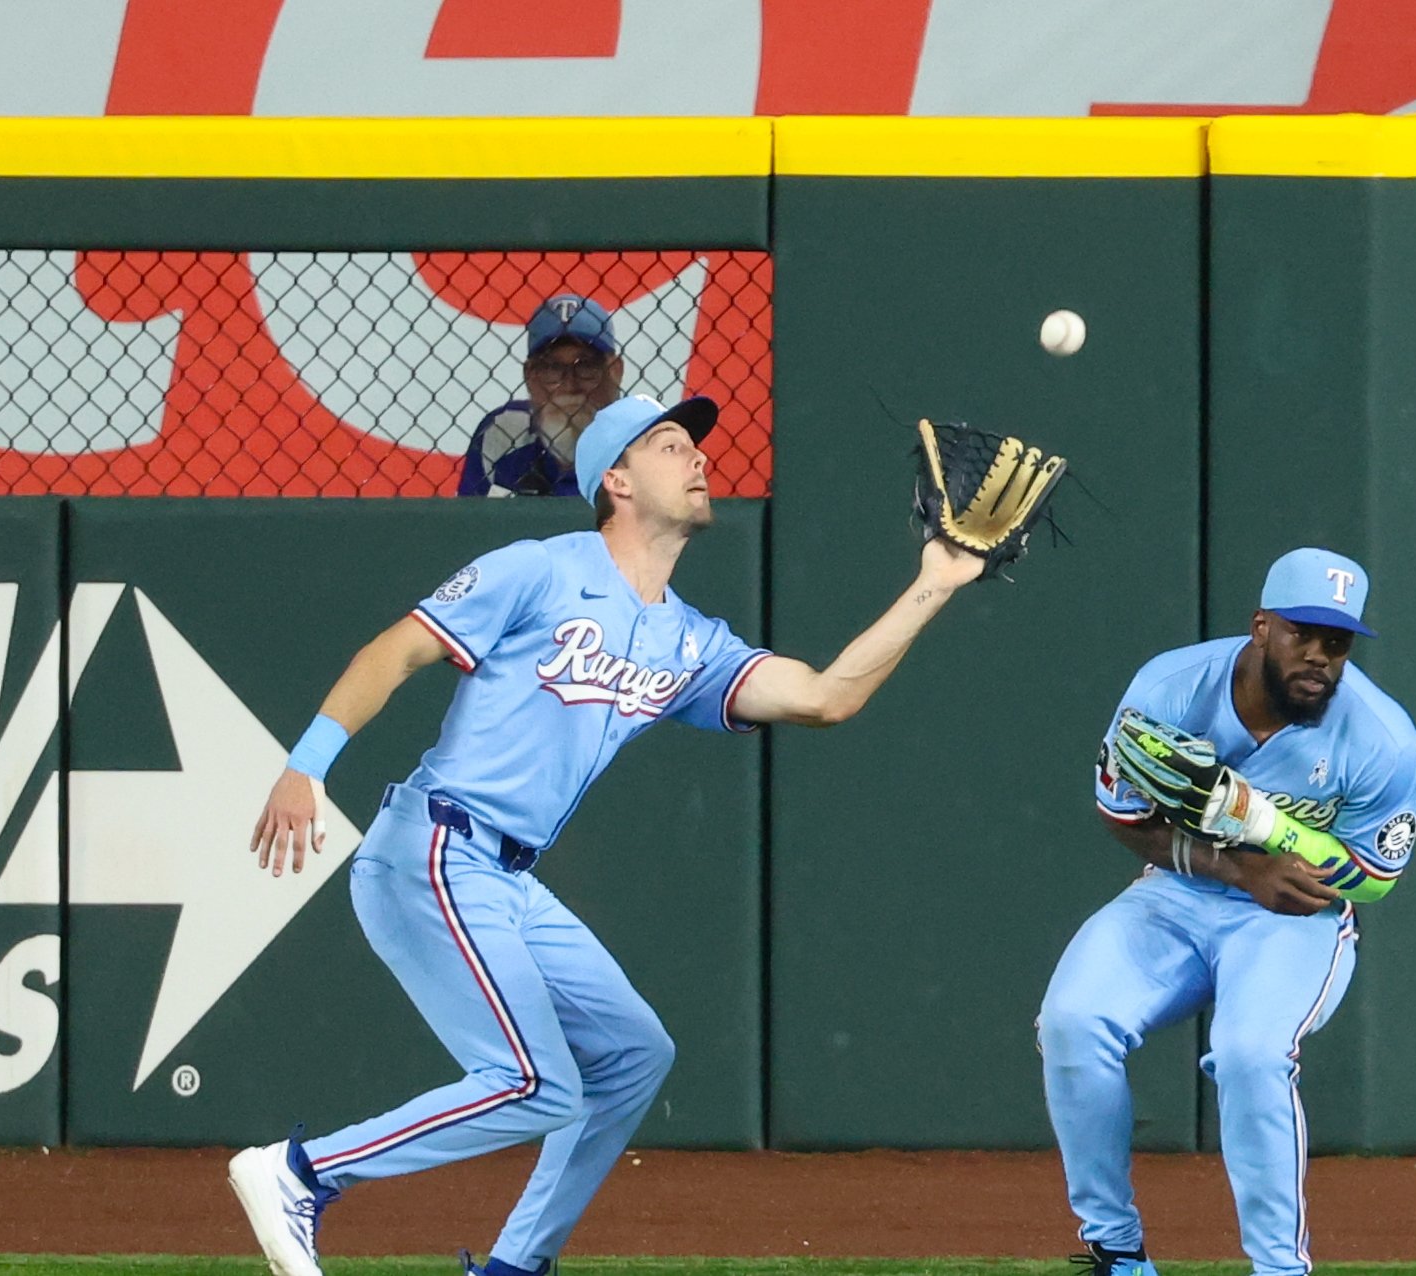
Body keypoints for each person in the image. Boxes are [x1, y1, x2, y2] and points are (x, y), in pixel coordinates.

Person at [230, 392, 991, 1276]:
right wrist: (305, 765)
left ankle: (516, 1267)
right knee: (533, 1083)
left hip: (509, 880)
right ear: (617, 481)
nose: (700, 459)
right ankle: (304, 1172)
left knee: (632, 1055)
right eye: (672, 446)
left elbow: (828, 696)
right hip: (436, 848)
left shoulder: (688, 640)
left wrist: (935, 581)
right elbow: (395, 650)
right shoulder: (540, 569)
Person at [1038, 547, 1416, 1276]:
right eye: (1300, 632)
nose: (1318, 655)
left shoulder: (1381, 736)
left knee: (1251, 1057)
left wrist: (1265, 826)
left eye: (1335, 642)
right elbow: (1119, 812)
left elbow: (1374, 878)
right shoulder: (1173, 686)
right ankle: (1116, 1251)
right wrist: (1240, 866)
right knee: (1073, 1022)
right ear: (1260, 626)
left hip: (1295, 918)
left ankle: (1279, 1269)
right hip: (1182, 890)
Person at [457, 293, 625, 497]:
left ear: (615, 371)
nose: (570, 386)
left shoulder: (648, 447)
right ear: (530, 376)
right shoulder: (503, 434)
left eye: (586, 366)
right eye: (552, 368)